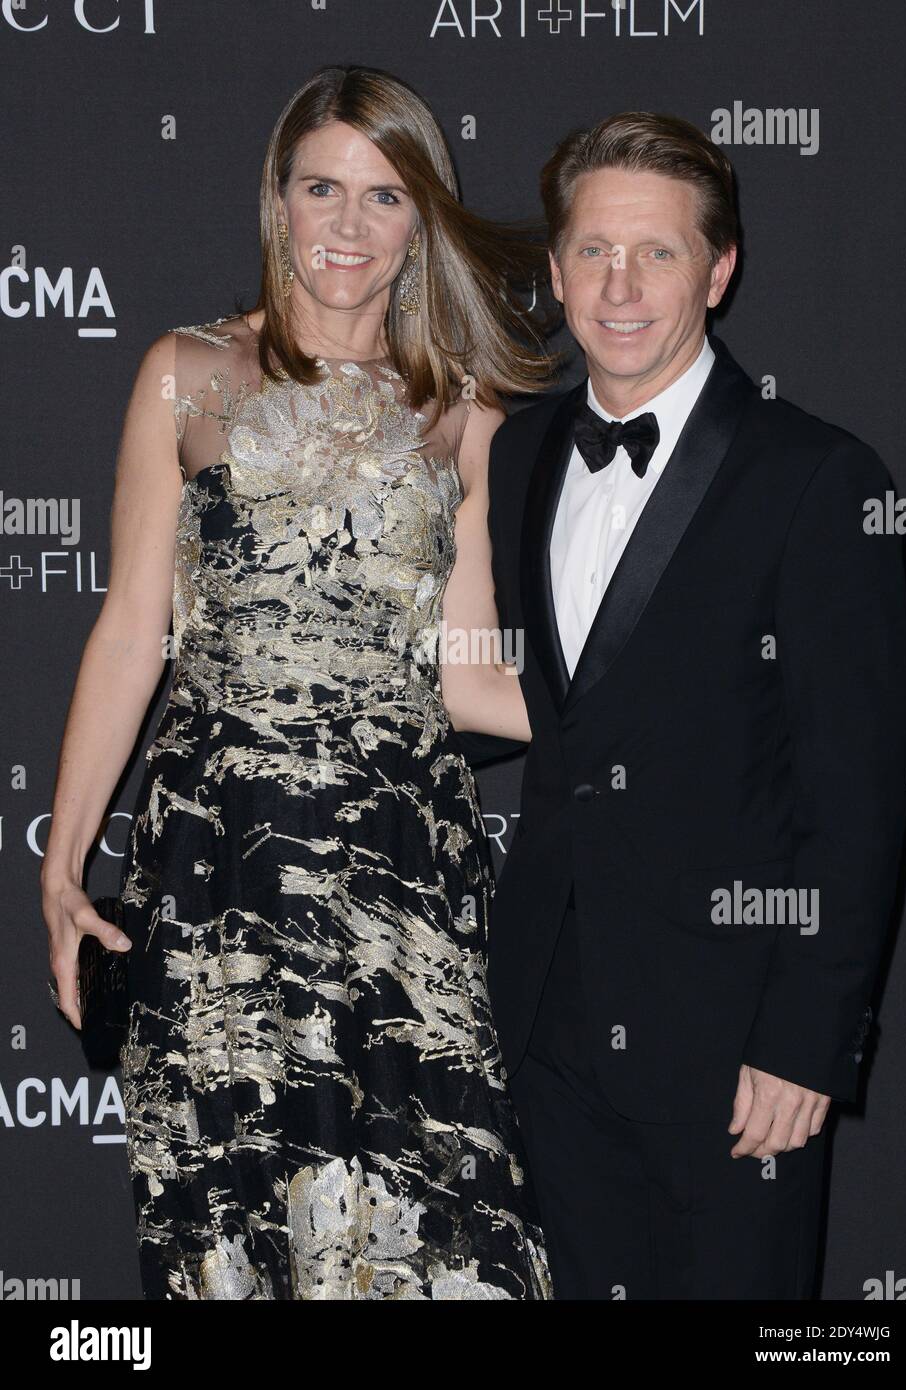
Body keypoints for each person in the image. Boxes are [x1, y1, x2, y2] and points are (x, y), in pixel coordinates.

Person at [41, 64, 557, 1300]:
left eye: (383, 197)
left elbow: (472, 680)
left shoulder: (466, 421)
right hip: (219, 865)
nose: (346, 225)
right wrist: (63, 869)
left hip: (405, 873)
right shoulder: (184, 373)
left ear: (421, 220)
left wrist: (659, 700)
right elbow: (131, 630)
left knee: (435, 1228)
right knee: (232, 1220)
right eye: (321, 187)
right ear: (278, 199)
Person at [482, 111, 906, 1299]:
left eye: (657, 253)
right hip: (546, 1033)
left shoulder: (817, 478)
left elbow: (859, 795)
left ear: (718, 270)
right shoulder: (519, 455)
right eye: (592, 252)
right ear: (558, 268)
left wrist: (803, 1041)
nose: (619, 286)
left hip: (732, 1046)